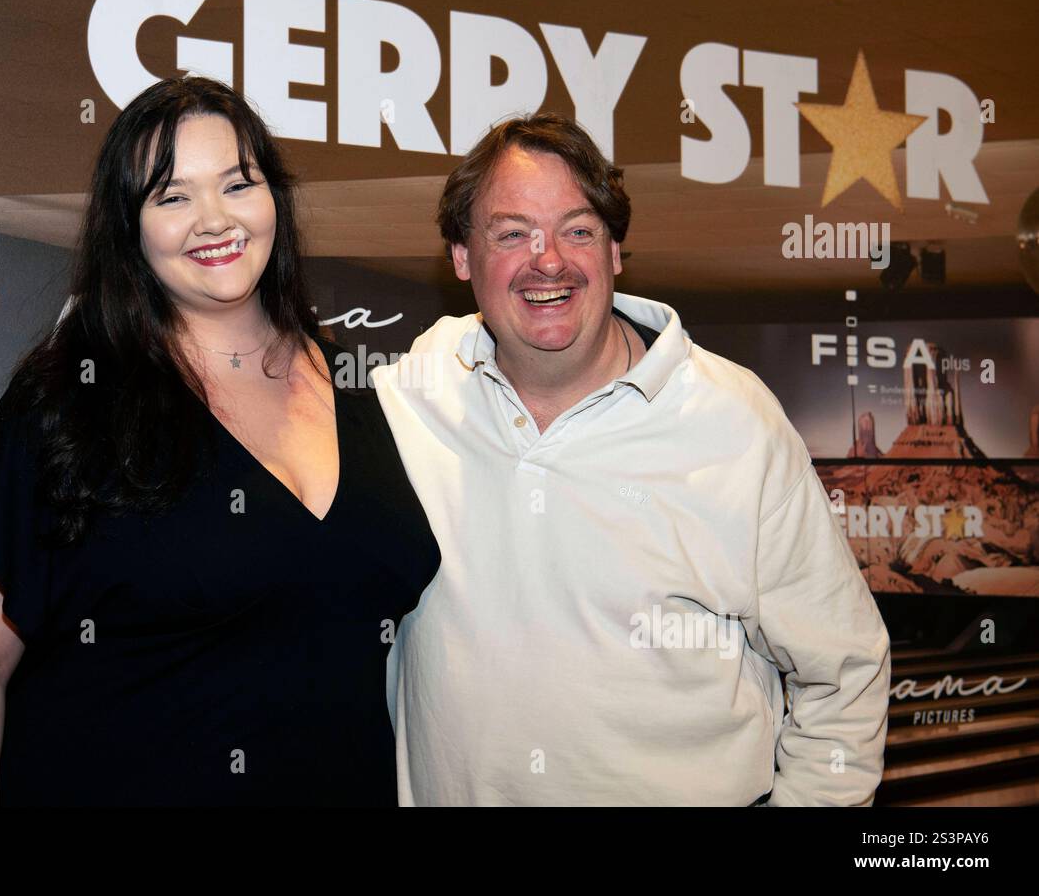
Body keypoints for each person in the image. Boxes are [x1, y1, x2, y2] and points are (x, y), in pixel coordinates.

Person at [0, 77, 439, 806]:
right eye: (172, 196)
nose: (213, 219)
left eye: (237, 183)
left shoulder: (372, 398)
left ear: (275, 200)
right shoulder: (67, 402)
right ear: (127, 229)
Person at [372, 113, 891, 806]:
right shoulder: (410, 396)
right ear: (461, 257)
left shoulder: (735, 420)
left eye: (578, 229)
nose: (548, 259)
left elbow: (845, 672)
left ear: (615, 250)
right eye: (511, 233)